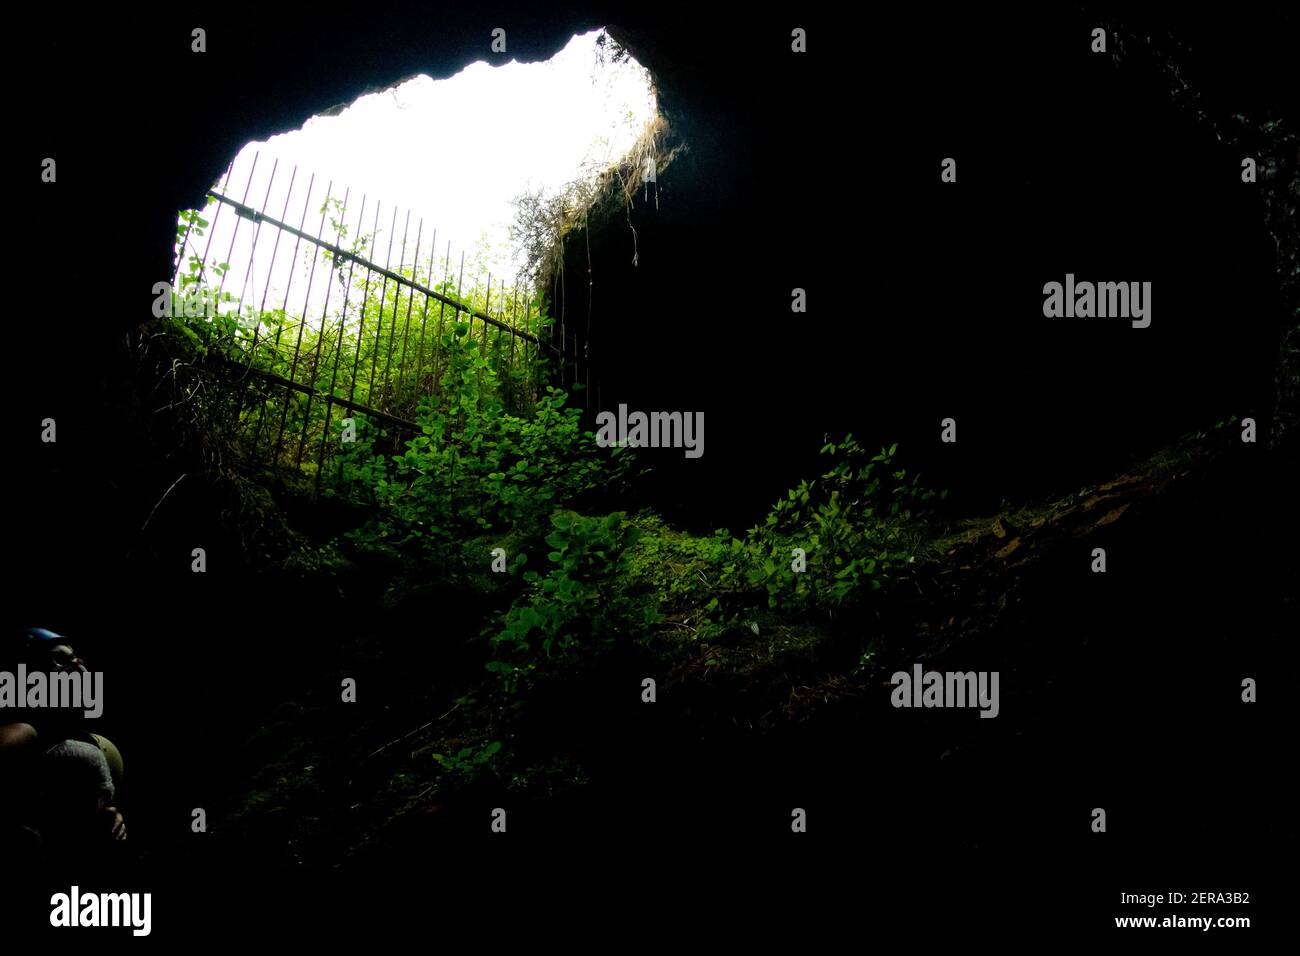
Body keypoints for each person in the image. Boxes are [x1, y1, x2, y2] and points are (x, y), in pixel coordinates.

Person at [1, 628, 127, 862]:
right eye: (60, 659)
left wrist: (102, 815)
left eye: (75, 658)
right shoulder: (23, 733)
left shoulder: (73, 743)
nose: (77, 666)